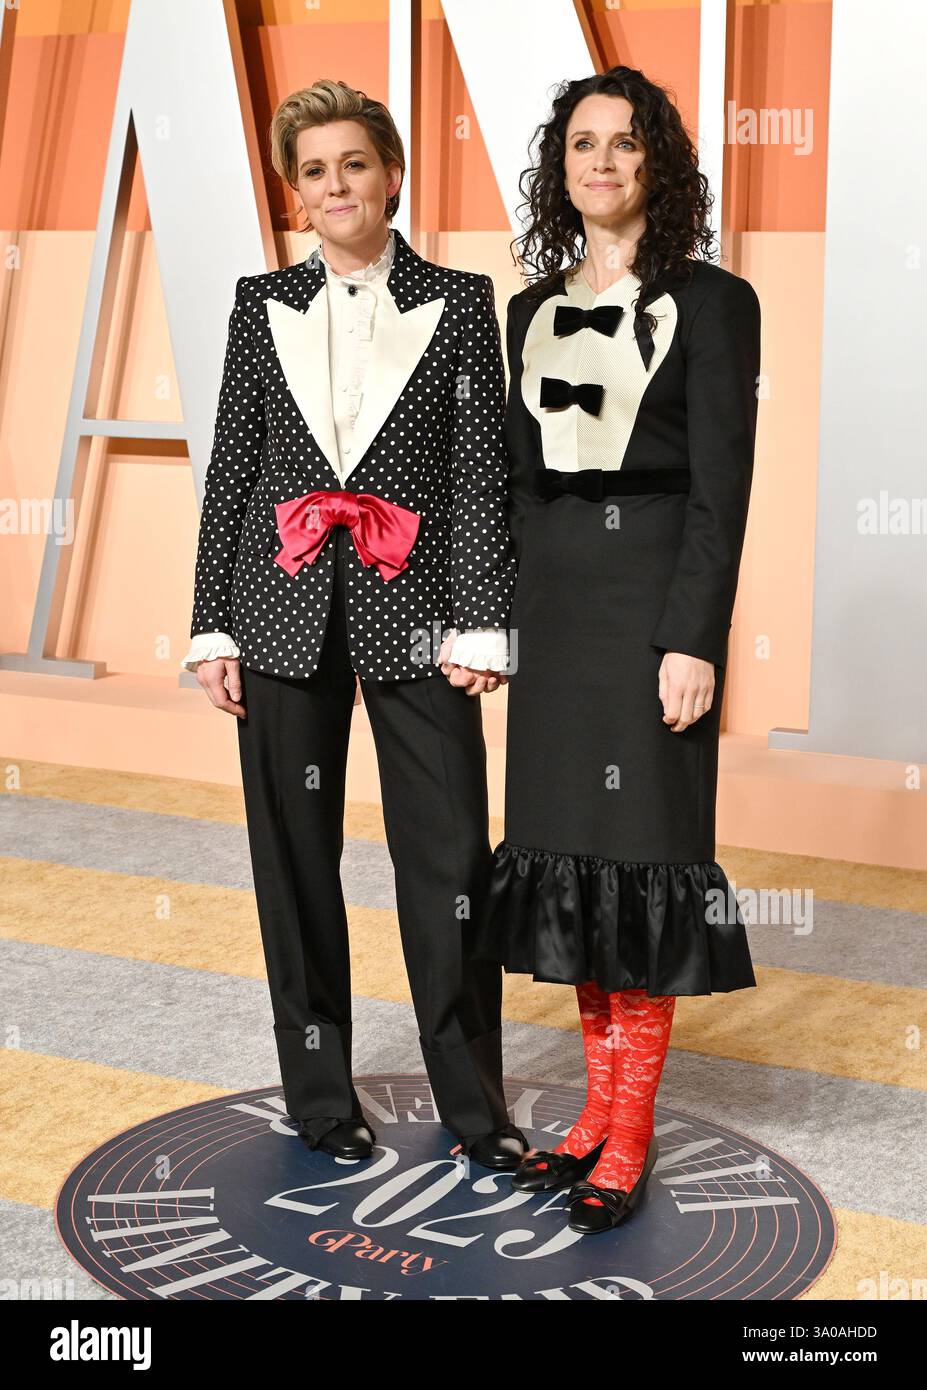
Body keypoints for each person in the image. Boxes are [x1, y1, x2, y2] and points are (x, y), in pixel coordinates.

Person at [182, 78, 527, 1170]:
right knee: (293, 867)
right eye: (315, 171)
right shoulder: (258, 301)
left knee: (451, 865)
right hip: (278, 607)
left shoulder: (463, 300)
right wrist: (212, 624)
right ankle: (321, 1103)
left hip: (422, 614)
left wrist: (483, 620)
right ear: (299, 193)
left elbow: (479, 476)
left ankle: (478, 1111)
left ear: (393, 173)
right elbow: (232, 470)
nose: (337, 185)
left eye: (355, 164)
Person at [465, 66, 762, 1232]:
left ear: (659, 165)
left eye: (625, 145)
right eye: (583, 144)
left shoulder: (717, 300)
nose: (601, 163)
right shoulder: (527, 309)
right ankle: (590, 1115)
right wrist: (492, 623)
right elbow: (514, 486)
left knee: (643, 865)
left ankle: (628, 1133)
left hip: (651, 616)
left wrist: (694, 639)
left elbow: (723, 495)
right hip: (555, 622)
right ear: (561, 165)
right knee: (576, 868)